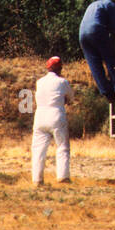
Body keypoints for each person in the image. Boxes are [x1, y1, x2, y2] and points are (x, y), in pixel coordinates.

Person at [31, 56, 72, 185]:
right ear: (60, 68)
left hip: (40, 115)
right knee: (62, 146)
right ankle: (63, 177)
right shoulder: (62, 82)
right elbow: (70, 98)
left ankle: (37, 179)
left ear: (48, 67)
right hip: (56, 115)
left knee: (38, 149)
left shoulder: (40, 82)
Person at [79, 0, 115, 101]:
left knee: (94, 64)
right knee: (110, 59)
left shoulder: (94, 4)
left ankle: (107, 93)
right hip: (96, 30)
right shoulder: (111, 4)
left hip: (82, 34)